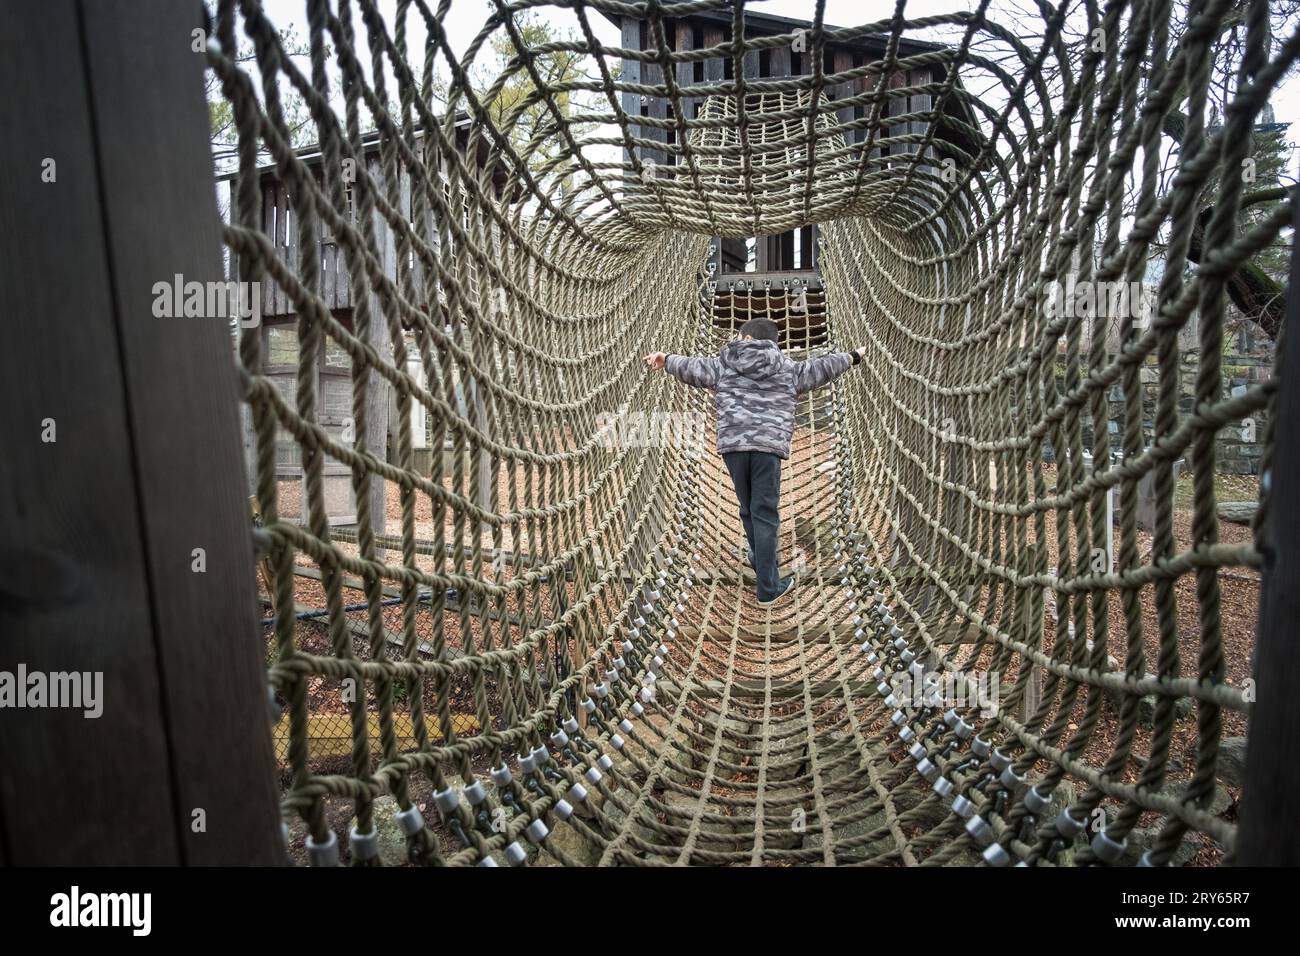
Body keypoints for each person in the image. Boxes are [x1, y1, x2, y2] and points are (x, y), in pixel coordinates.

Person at [645, 318, 864, 605]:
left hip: (733, 447)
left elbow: (692, 368)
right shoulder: (787, 368)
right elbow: (822, 368)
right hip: (768, 448)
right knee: (765, 513)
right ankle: (768, 588)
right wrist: (853, 357)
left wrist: (667, 359)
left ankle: (758, 558)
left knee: (748, 508)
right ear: (772, 342)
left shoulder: (725, 363)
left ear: (746, 338)